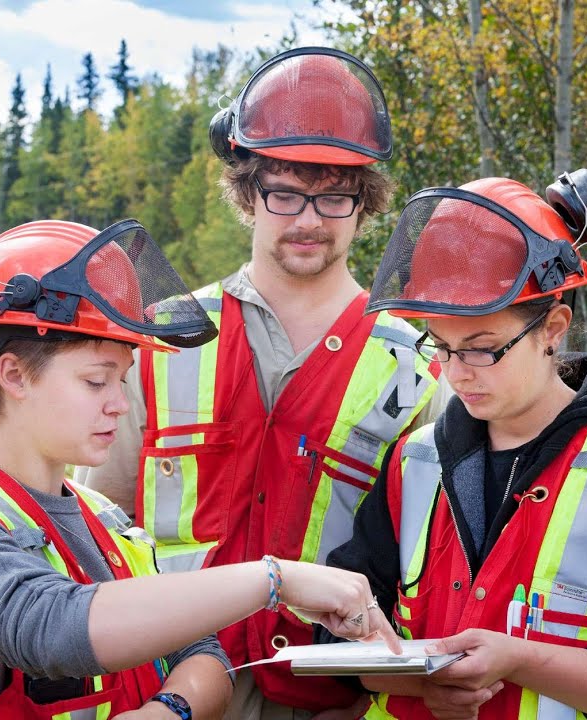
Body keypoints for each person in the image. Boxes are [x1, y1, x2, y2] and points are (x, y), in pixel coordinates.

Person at [0, 218, 401, 720]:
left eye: (121, 378)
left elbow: (205, 652)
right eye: (96, 381)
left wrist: (167, 710)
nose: (120, 402)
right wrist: (276, 579)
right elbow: (52, 628)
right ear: (14, 375)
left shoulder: (101, 516)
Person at [74, 47, 450, 720]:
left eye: (334, 196)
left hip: (321, 702)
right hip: (163, 690)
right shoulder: (162, 338)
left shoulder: (418, 367)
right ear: (248, 195)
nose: (308, 220)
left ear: (364, 206)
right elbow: (101, 526)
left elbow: (430, 565)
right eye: (284, 193)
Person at [318, 174, 587, 719]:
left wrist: (519, 661)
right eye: (440, 346)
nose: (456, 374)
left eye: (482, 348)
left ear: (553, 329)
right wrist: (419, 687)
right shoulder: (414, 464)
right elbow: (337, 629)